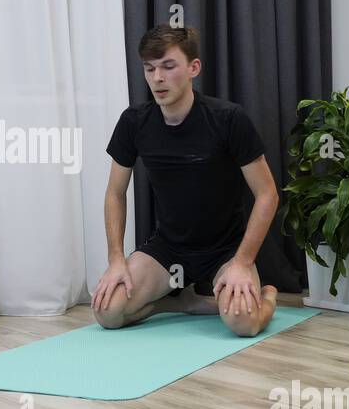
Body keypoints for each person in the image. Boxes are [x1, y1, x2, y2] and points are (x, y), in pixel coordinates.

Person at [92, 24, 279, 337]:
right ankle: (180, 303)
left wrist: (243, 262)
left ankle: (268, 298)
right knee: (107, 313)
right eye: (149, 69)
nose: (157, 78)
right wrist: (116, 260)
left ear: (194, 67)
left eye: (168, 66)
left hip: (225, 250)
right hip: (168, 248)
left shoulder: (228, 119)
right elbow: (115, 193)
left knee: (243, 324)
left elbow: (267, 194)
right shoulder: (133, 122)